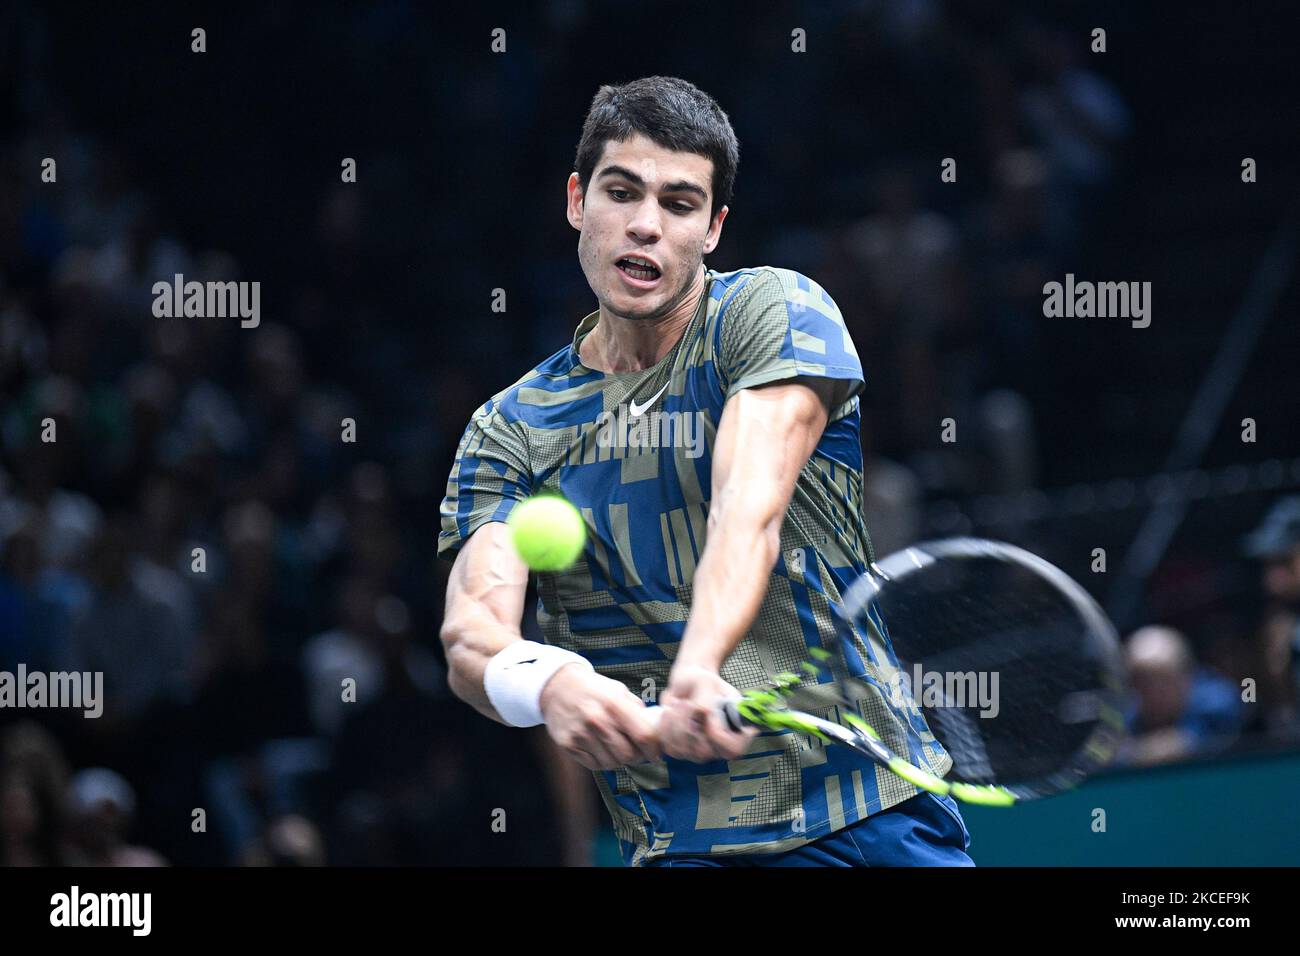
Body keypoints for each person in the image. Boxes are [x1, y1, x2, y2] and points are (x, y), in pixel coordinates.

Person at [438, 76, 970, 867]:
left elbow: (746, 506)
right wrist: (544, 678)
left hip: (871, 808)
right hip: (688, 845)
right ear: (577, 200)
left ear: (714, 227)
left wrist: (698, 665)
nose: (646, 225)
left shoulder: (772, 313)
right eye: (622, 193)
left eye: (680, 204)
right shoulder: (510, 430)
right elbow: (471, 635)